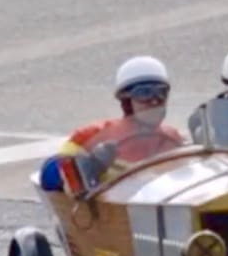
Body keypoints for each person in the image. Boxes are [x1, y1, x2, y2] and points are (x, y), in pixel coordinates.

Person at [40, 56, 185, 192]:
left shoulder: (173, 137)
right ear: (126, 101)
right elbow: (47, 177)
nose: (155, 100)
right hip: (113, 215)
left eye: (161, 92)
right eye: (144, 93)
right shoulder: (91, 136)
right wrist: (91, 165)